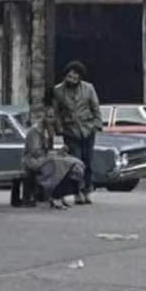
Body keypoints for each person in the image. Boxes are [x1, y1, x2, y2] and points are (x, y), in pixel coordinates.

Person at [52, 61, 102, 204]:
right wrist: (59, 128)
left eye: (75, 77)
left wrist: (96, 125)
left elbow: (95, 107)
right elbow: (56, 112)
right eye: (69, 76)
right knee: (76, 163)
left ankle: (87, 190)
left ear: (80, 77)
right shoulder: (58, 90)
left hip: (87, 129)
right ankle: (77, 192)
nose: (71, 79)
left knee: (88, 162)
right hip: (70, 131)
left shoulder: (88, 88)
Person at [22, 107, 85, 209]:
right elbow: (35, 151)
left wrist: (62, 150)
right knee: (57, 166)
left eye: (53, 117)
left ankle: (63, 194)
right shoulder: (35, 131)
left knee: (75, 163)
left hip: (50, 157)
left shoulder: (54, 129)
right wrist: (53, 153)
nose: (51, 119)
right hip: (34, 160)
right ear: (43, 117)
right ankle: (55, 196)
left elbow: (57, 145)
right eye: (48, 117)